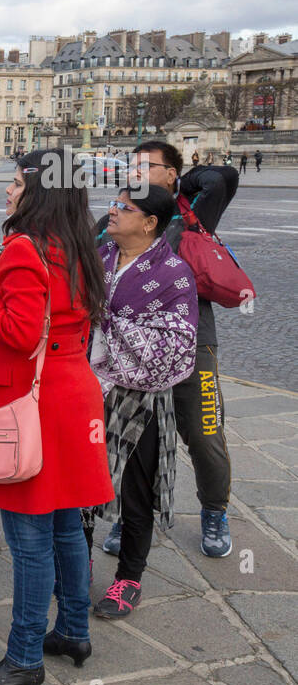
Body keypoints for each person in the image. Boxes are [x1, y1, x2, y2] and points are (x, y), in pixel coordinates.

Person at [0, 149, 113, 685]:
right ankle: (72, 630)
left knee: (28, 539)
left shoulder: (24, 248)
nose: (8, 190)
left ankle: (24, 657)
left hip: (30, 398)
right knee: (67, 524)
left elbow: (20, 332)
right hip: (70, 392)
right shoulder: (77, 243)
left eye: (17, 182)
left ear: (39, 190)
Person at [116, 144, 237, 557]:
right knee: (133, 435)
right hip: (131, 347)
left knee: (203, 434)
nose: (135, 173)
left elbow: (223, 178)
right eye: (131, 166)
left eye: (145, 166)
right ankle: (130, 515)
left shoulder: (190, 211)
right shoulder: (120, 214)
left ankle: (214, 510)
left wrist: (176, 186)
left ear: (171, 174)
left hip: (193, 339)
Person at [88, 185, 198, 619]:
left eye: (123, 207)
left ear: (150, 222)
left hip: (141, 401)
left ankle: (128, 578)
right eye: (114, 204)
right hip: (87, 393)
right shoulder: (99, 259)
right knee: (81, 486)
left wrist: (110, 322)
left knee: (135, 493)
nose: (111, 212)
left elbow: (176, 346)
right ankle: (80, 565)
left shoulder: (173, 273)